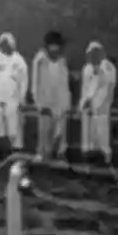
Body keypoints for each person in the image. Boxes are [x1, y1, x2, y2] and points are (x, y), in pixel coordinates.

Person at [30, 32, 72, 161]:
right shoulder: (40, 60)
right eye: (53, 46)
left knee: (60, 132)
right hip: (45, 102)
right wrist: (39, 103)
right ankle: (43, 154)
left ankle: (60, 154)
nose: (55, 49)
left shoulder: (61, 61)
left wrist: (66, 104)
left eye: (57, 46)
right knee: (45, 131)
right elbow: (35, 83)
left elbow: (64, 84)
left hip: (60, 102)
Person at [0, 32, 29, 156]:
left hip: (13, 98)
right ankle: (2, 151)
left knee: (14, 126)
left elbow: (23, 81)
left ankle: (16, 150)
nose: (4, 47)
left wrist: (22, 98)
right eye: (2, 44)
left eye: (6, 44)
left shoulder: (18, 60)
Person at [79, 40, 117, 165]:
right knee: (88, 137)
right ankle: (88, 159)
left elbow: (106, 89)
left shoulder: (109, 69)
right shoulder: (87, 69)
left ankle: (105, 160)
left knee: (101, 134)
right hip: (88, 108)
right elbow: (85, 88)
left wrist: (95, 103)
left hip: (102, 107)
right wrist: (84, 102)